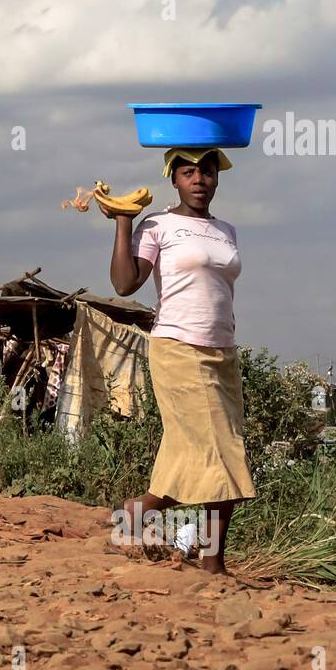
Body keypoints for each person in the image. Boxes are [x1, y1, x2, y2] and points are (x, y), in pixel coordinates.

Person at [103, 146, 254, 575]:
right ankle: (213, 563)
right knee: (220, 451)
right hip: (177, 349)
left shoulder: (227, 231)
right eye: (189, 173)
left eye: (207, 172)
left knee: (192, 452)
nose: (199, 180)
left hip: (222, 351)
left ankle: (134, 514)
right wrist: (123, 221)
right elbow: (125, 282)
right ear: (174, 180)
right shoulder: (159, 225)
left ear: (217, 179)